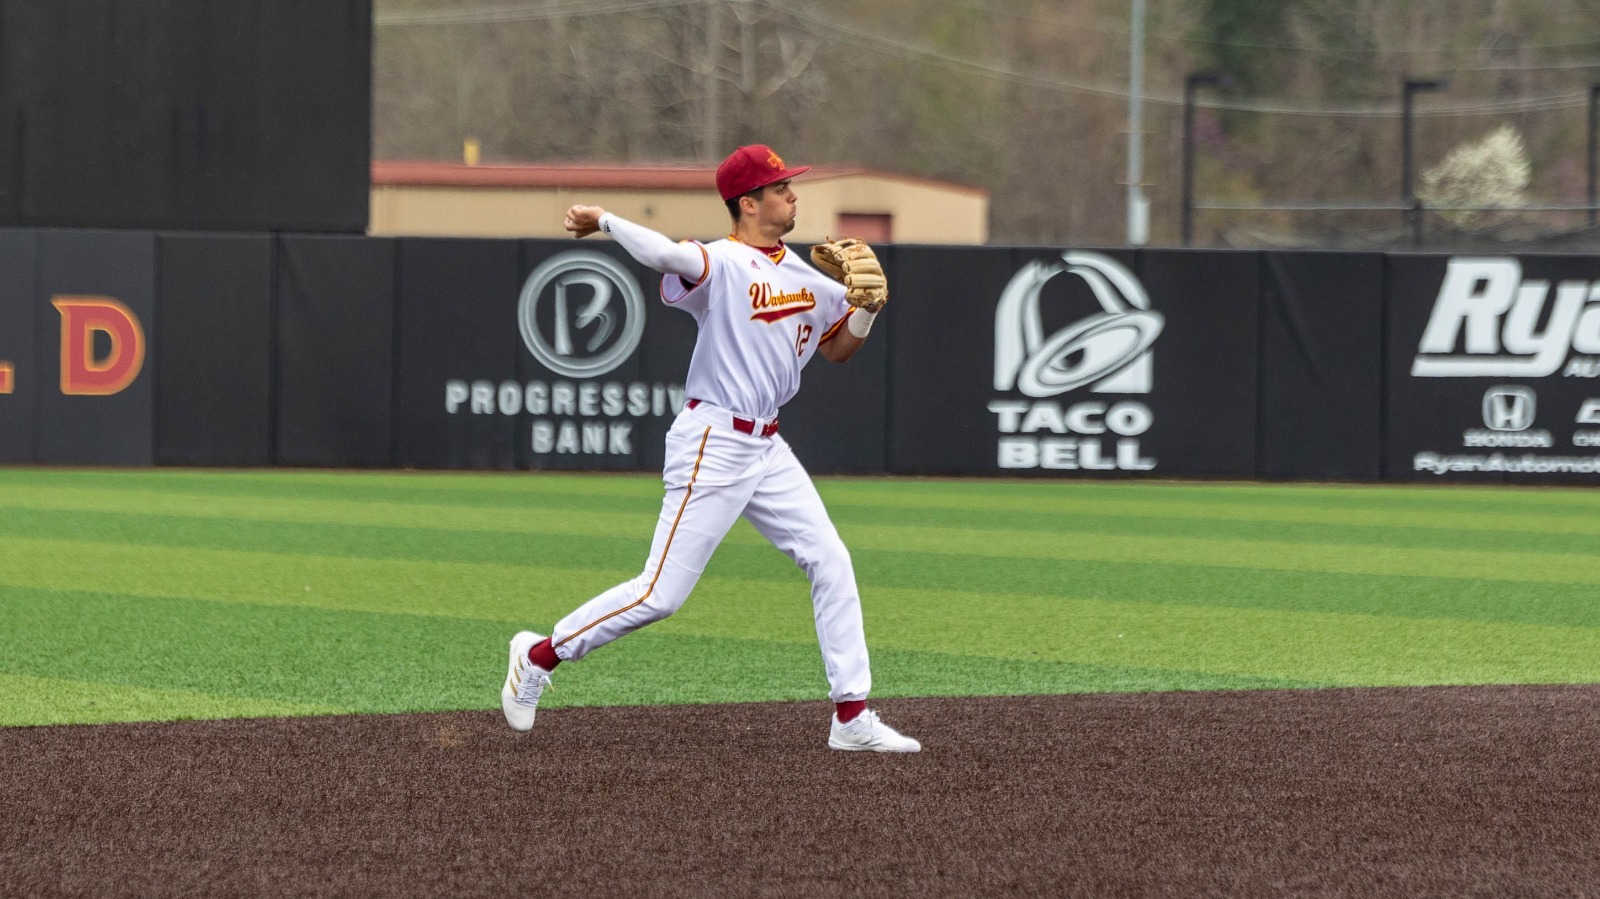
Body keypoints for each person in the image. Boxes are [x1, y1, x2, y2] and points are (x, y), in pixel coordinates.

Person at [500, 144, 920, 753]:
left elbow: (837, 350)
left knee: (831, 560)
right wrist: (606, 220)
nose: (792, 195)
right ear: (748, 203)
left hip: (767, 445)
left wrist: (866, 312)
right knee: (659, 594)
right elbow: (666, 254)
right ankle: (538, 656)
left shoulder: (807, 277)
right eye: (780, 188)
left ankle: (851, 717)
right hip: (714, 440)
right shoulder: (721, 263)